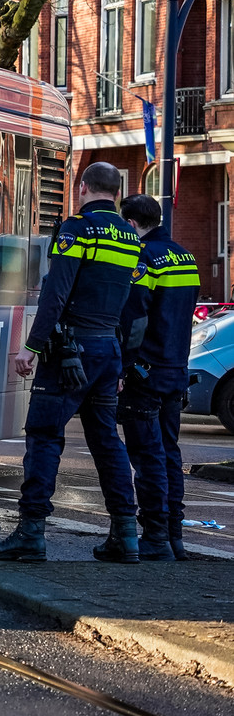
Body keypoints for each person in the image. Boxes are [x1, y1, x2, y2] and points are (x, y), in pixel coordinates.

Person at [0, 162, 142, 563]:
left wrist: (31, 347)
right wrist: (119, 360)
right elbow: (131, 304)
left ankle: (30, 532)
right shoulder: (130, 236)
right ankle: (126, 534)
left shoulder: (77, 228)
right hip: (108, 350)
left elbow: (56, 291)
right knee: (106, 440)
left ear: (83, 187)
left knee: (43, 435)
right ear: (117, 192)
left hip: (71, 351)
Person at [118, 194, 200, 561]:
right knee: (169, 453)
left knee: (147, 455)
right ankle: (175, 536)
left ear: (132, 224)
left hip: (145, 372)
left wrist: (123, 366)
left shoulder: (144, 258)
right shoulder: (187, 256)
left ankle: (154, 536)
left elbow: (135, 320)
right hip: (175, 369)